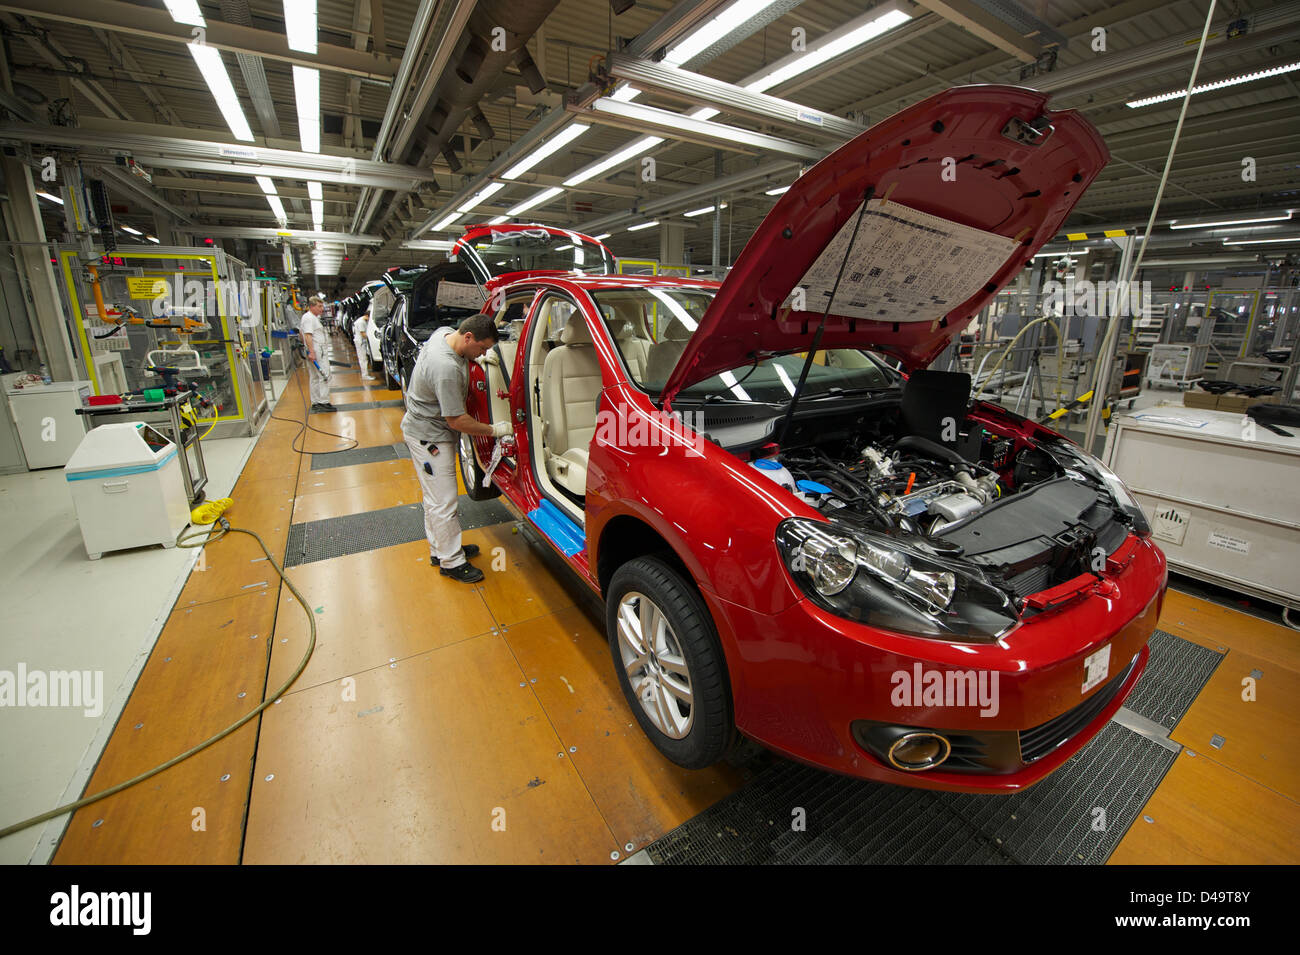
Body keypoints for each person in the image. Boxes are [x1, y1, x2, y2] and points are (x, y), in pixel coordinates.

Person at [401, 314, 511, 583]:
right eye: (482, 349)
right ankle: (451, 563)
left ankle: (441, 549)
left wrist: (477, 359)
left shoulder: (445, 333)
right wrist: (495, 430)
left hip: (426, 430)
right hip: (430, 438)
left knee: (434, 498)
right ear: (469, 337)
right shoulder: (446, 368)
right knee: (444, 501)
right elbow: (457, 420)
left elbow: (464, 353)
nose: (482, 353)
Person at [299, 295, 335, 412]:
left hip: (314, 349)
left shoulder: (309, 317)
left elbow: (301, 334)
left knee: (314, 377)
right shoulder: (309, 318)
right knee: (324, 375)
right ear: (312, 306)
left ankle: (316, 401)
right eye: (319, 306)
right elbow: (308, 335)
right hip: (317, 350)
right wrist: (312, 352)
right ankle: (324, 402)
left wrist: (307, 348)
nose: (322, 309)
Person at [353, 306, 376, 381]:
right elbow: (363, 334)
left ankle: (365, 374)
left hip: (361, 341)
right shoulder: (361, 322)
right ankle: (365, 375)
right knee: (363, 359)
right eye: (369, 318)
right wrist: (372, 338)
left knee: (363, 359)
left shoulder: (362, 320)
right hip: (360, 342)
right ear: (366, 316)